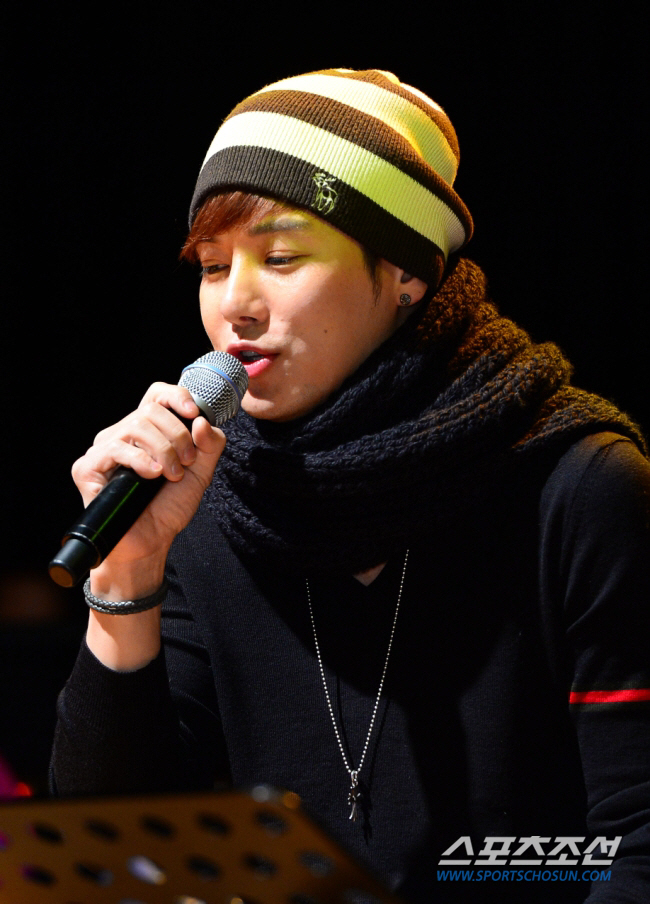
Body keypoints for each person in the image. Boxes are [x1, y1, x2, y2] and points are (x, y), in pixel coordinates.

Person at [51, 69, 650, 902]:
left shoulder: (575, 484)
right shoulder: (206, 499)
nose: (235, 304)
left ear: (407, 271)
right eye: (213, 266)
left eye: (281, 256)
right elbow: (116, 856)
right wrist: (126, 576)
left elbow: (633, 843)